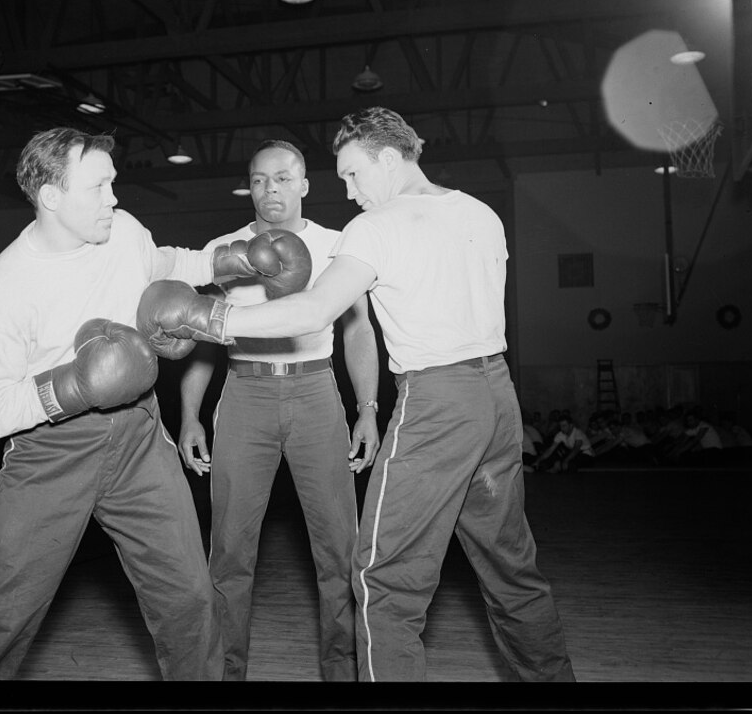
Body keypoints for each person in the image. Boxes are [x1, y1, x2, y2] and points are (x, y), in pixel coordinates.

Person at [138, 107, 575, 682]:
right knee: (511, 567)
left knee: (378, 578)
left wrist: (206, 316)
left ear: (389, 160)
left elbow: (322, 311)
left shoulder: (372, 229)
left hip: (430, 399)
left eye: (352, 175)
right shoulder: (480, 213)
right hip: (494, 391)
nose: (349, 192)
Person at [0, 126, 310, 681]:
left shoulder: (122, 230)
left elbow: (161, 264)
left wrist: (232, 261)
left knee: (189, 601)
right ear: (51, 196)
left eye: (113, 183)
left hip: (138, 439)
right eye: (98, 188)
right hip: (52, 457)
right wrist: (75, 385)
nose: (114, 198)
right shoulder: (3, 287)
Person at [177, 139, 380, 682]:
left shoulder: (339, 246)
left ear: (305, 185)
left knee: (339, 550)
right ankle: (226, 678)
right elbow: (202, 339)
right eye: (260, 179)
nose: (271, 190)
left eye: (283, 179)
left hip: (317, 394)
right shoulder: (223, 250)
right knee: (230, 553)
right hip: (244, 395)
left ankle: (343, 677)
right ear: (250, 184)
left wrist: (368, 409)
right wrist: (191, 415)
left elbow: (359, 329)